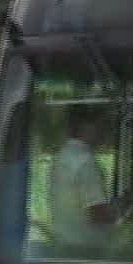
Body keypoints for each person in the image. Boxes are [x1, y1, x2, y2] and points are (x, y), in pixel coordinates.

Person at [48, 103, 119, 250]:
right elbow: (98, 215)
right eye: (101, 125)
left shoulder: (61, 155)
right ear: (85, 126)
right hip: (87, 250)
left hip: (64, 244)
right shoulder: (86, 160)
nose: (104, 132)